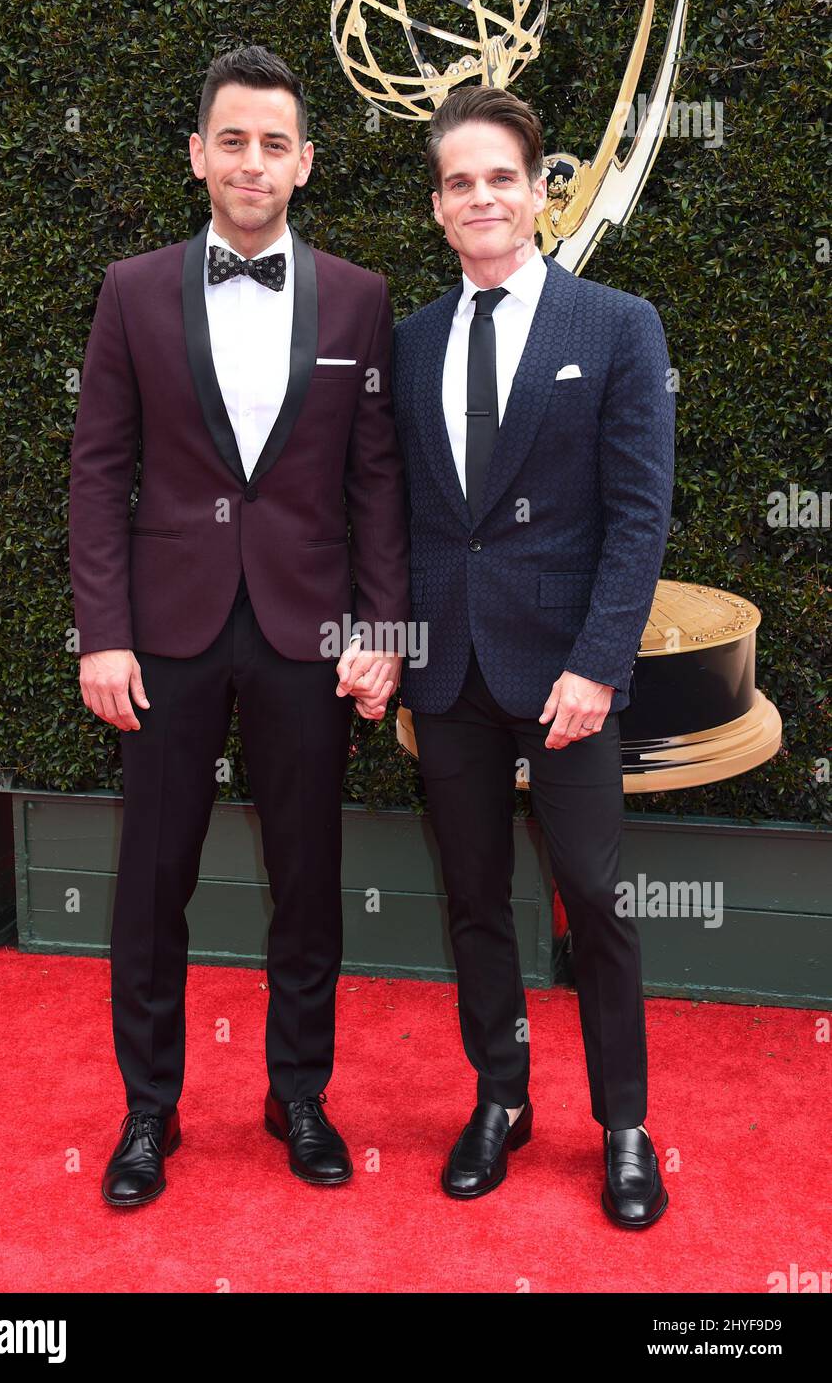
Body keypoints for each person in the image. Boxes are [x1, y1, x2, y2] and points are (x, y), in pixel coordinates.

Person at [68, 44, 407, 1206]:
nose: (252, 160)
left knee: (306, 873)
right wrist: (100, 631)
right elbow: (99, 467)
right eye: (232, 139)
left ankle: (297, 1093)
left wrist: (382, 627)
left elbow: (376, 483)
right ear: (198, 154)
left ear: (304, 163)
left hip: (307, 633)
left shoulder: (361, 298)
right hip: (163, 634)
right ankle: (147, 1109)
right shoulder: (129, 290)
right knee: (150, 878)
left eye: (275, 142)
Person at [392, 85, 675, 1226]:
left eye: (499, 176)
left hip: (567, 677)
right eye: (458, 181)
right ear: (437, 205)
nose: (480, 197)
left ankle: (623, 1125)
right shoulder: (409, 340)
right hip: (448, 676)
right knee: (471, 900)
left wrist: (598, 663)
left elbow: (638, 513)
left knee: (593, 900)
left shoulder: (614, 325)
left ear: (537, 189)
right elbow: (402, 514)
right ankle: (499, 1099)